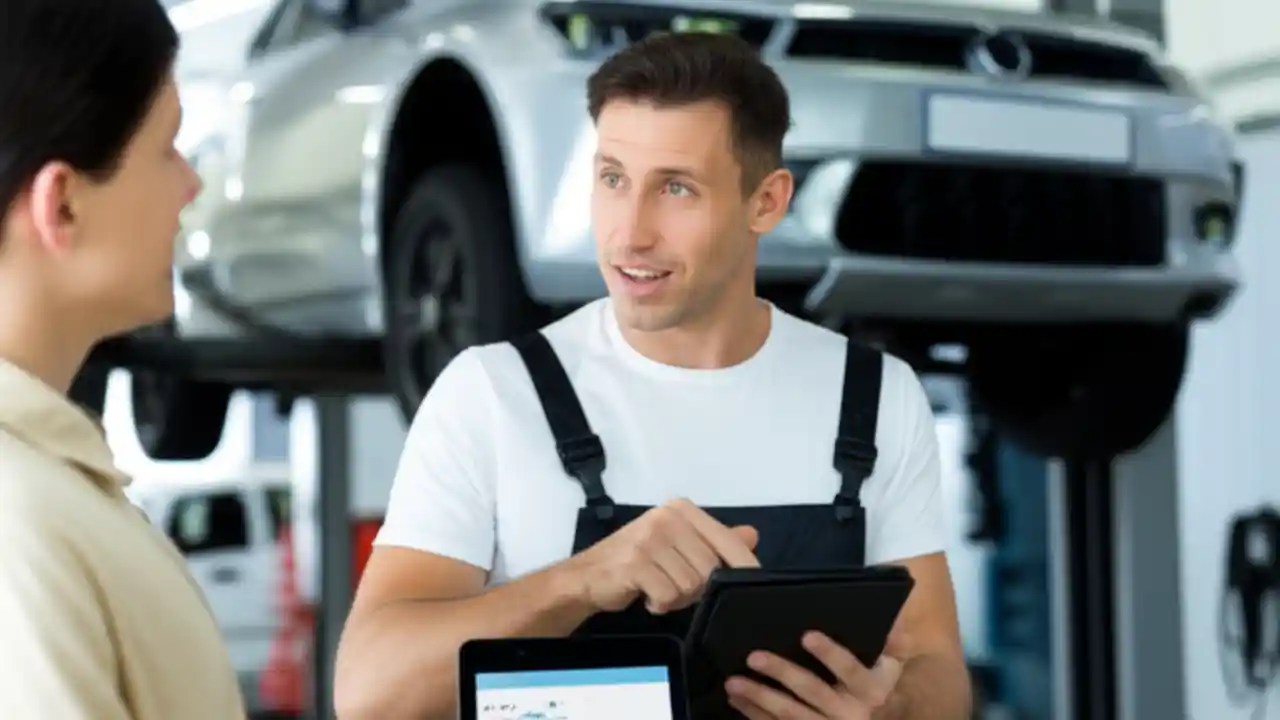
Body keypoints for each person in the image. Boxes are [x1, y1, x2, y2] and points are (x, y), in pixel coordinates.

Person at [336, 32, 971, 719]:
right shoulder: (492, 393)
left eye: (675, 188)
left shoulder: (875, 399)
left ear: (767, 201)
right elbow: (370, 693)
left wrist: (888, 709)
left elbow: (940, 677)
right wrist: (581, 581)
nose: (630, 234)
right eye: (612, 179)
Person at [0, 1, 245, 718]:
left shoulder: (46, 487)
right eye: (167, 146)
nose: (189, 185)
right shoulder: (20, 527)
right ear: (63, 204)